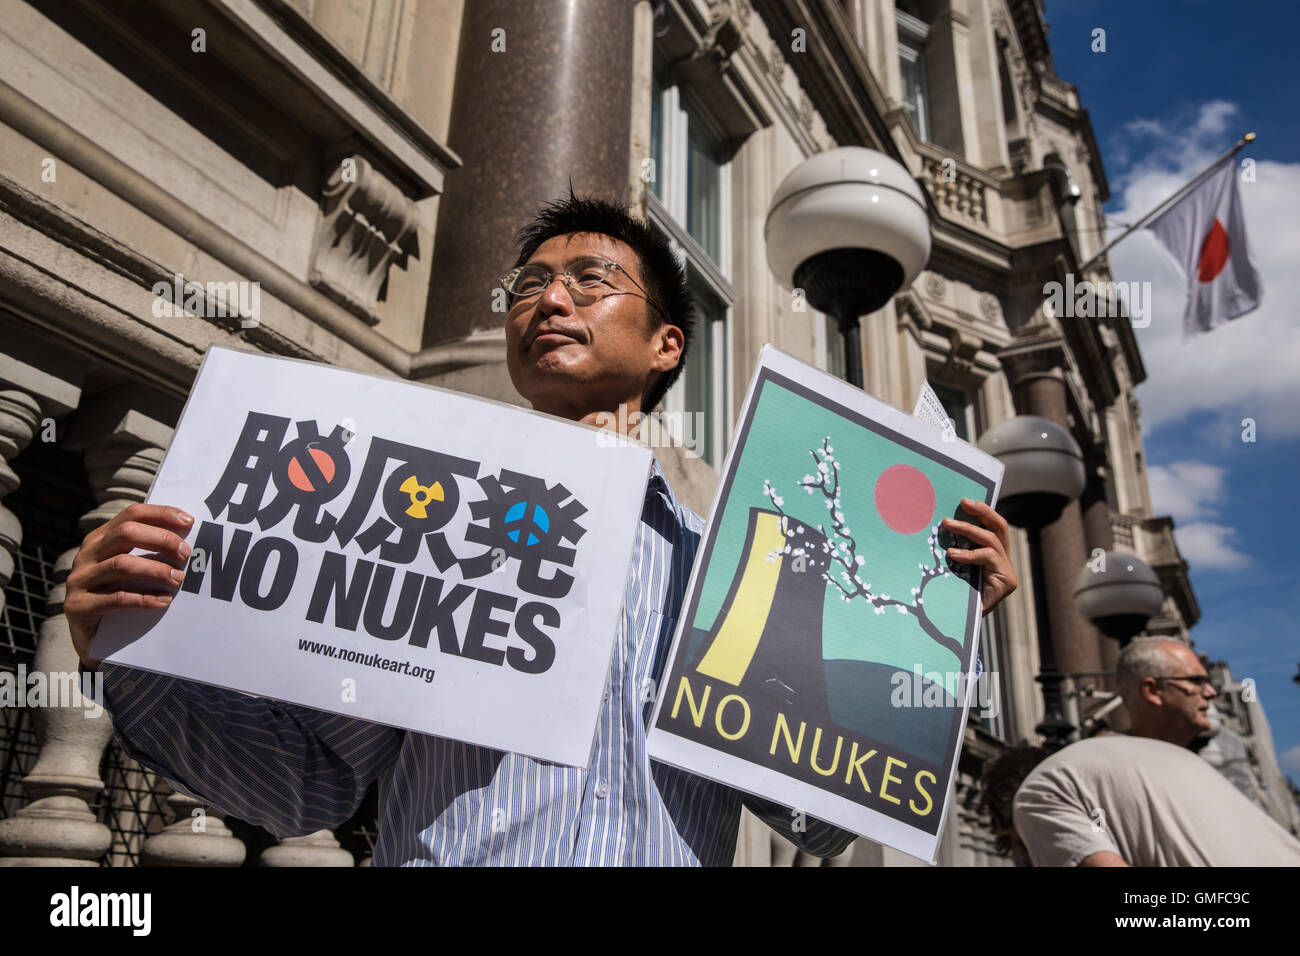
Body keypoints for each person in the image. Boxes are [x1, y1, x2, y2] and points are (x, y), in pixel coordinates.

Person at [67, 193, 1020, 866]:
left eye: (590, 280)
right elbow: (302, 783)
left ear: (665, 346)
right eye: (528, 285)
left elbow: (810, 817)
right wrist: (129, 642)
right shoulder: (424, 531)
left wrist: (931, 636)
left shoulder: (732, 570)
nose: (548, 300)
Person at [1012, 636, 1300, 867]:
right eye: (1196, 681)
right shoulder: (1059, 780)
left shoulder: (1196, 768)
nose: (1211, 692)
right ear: (1152, 690)